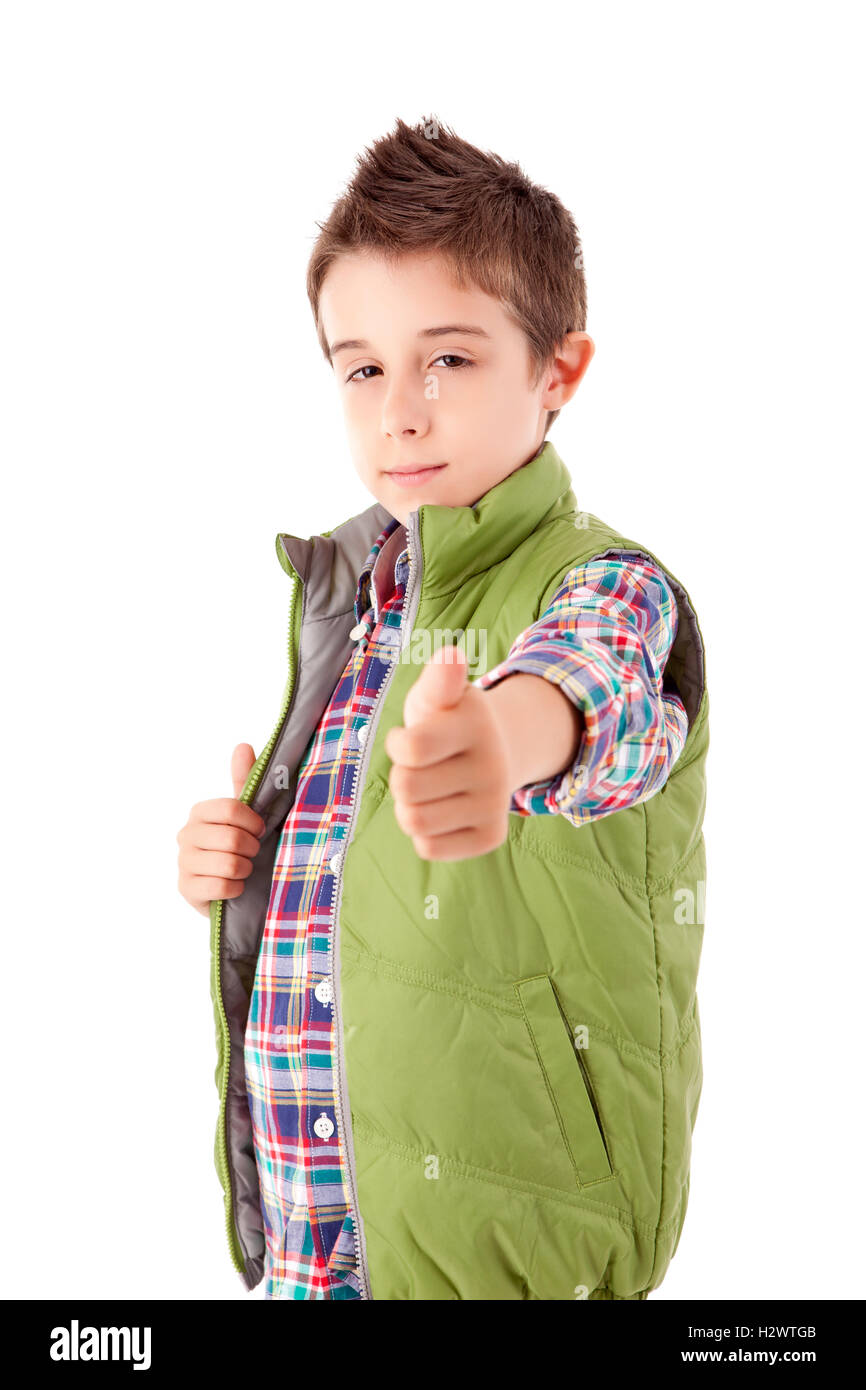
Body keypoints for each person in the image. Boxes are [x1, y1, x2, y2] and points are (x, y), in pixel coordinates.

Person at [176, 114, 709, 1301]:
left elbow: (596, 693)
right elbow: (360, 892)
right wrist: (242, 862)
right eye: (361, 365)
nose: (397, 410)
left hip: (500, 1254)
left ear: (555, 372)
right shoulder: (355, 598)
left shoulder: (597, 582)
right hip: (317, 1249)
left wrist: (507, 738)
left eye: (449, 359)